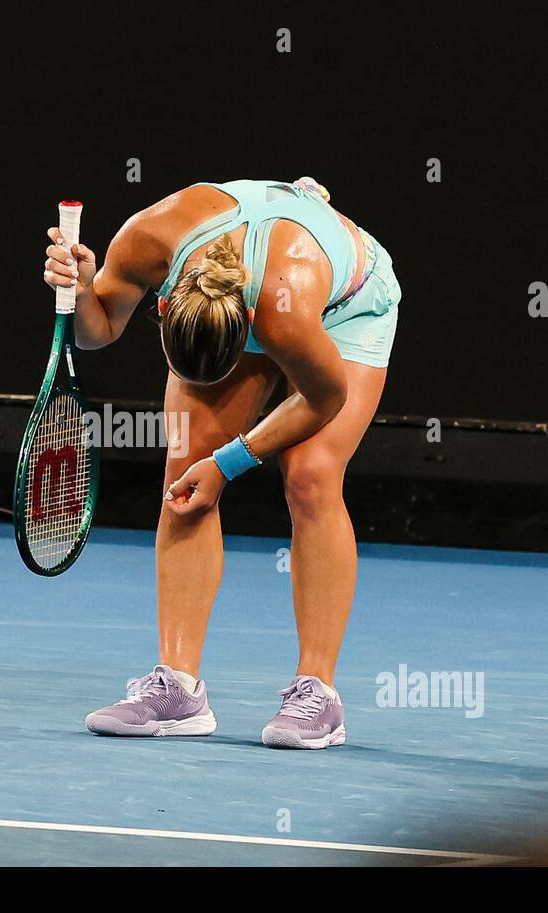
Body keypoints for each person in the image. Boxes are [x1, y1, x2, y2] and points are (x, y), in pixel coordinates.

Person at [42, 178, 401, 749]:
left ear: (251, 322)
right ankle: (177, 689)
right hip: (252, 281)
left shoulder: (285, 313)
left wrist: (231, 461)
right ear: (163, 307)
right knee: (184, 476)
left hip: (344, 304)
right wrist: (84, 291)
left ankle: (319, 692)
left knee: (310, 476)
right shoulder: (148, 237)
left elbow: (323, 398)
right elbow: (98, 331)